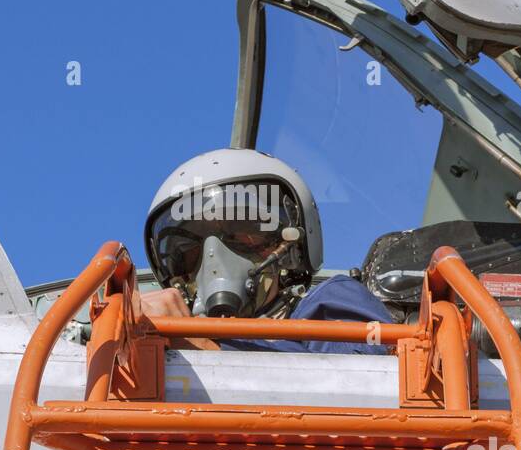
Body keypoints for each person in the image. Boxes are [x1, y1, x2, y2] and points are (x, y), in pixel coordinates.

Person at [141, 148, 392, 354]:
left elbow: (360, 381)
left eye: (241, 233)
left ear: (291, 248)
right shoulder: (162, 343)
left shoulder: (328, 304)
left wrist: (205, 349)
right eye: (189, 250)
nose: (213, 258)